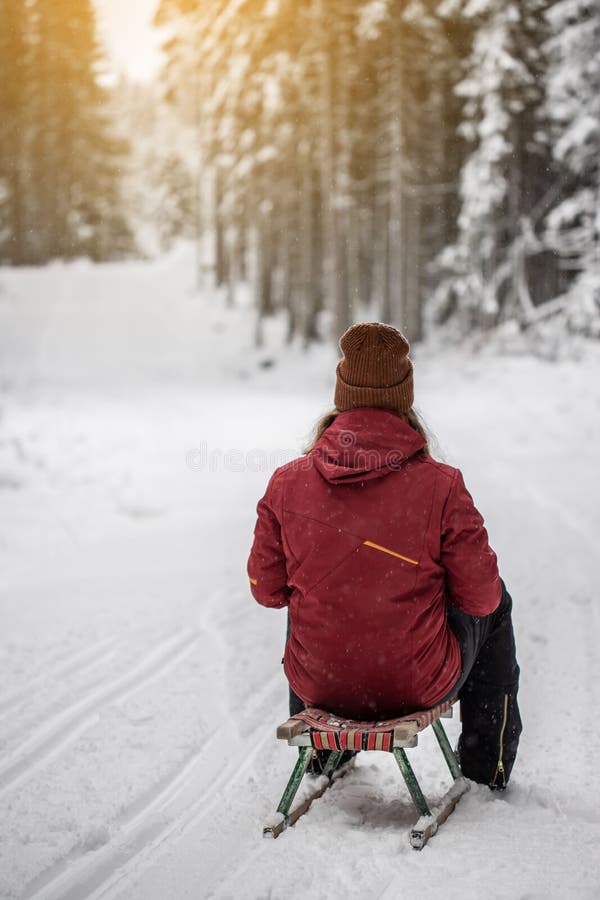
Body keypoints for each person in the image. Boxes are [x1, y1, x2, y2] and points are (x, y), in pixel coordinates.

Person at [247, 322, 522, 789]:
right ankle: (485, 767)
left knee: (307, 589)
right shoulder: (441, 484)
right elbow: (480, 600)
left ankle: (323, 758)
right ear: (404, 398)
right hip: (416, 682)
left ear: (341, 396)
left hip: (320, 684)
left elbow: (268, 592)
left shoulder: (287, 482)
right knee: (498, 605)